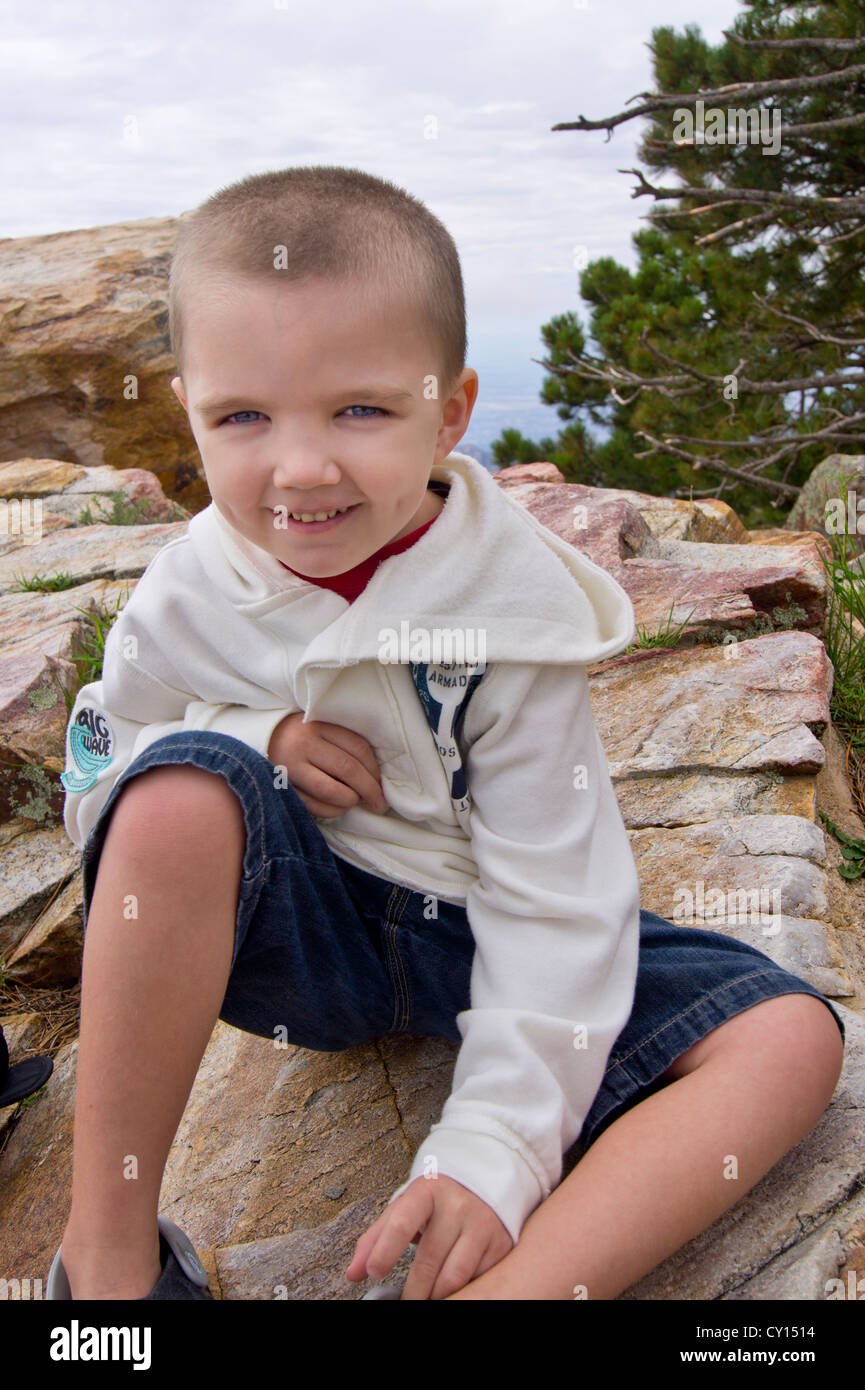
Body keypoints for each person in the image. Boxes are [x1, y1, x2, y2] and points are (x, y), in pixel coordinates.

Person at [51, 165, 845, 1302]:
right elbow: (98, 766)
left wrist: (497, 1148)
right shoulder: (189, 588)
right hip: (297, 924)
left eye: (361, 409)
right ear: (189, 411)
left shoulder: (503, 603)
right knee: (175, 791)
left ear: (452, 411)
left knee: (788, 1041)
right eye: (243, 417)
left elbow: (553, 890)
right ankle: (108, 1274)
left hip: (471, 925)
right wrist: (250, 730)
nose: (302, 467)